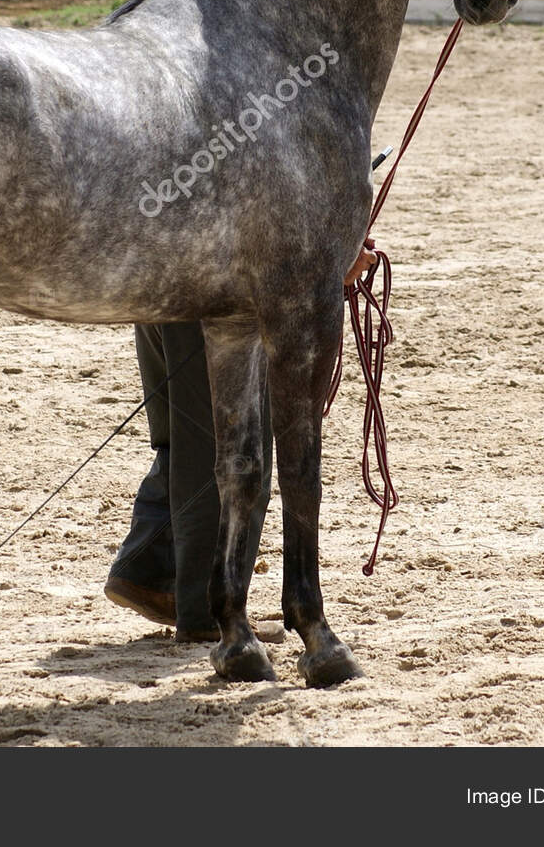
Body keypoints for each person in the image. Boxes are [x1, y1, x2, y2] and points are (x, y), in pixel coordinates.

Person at [104, 241, 378, 642]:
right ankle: (205, 612)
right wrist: (334, 248)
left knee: (183, 434)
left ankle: (151, 573)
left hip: (156, 264)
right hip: (220, 271)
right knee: (230, 445)